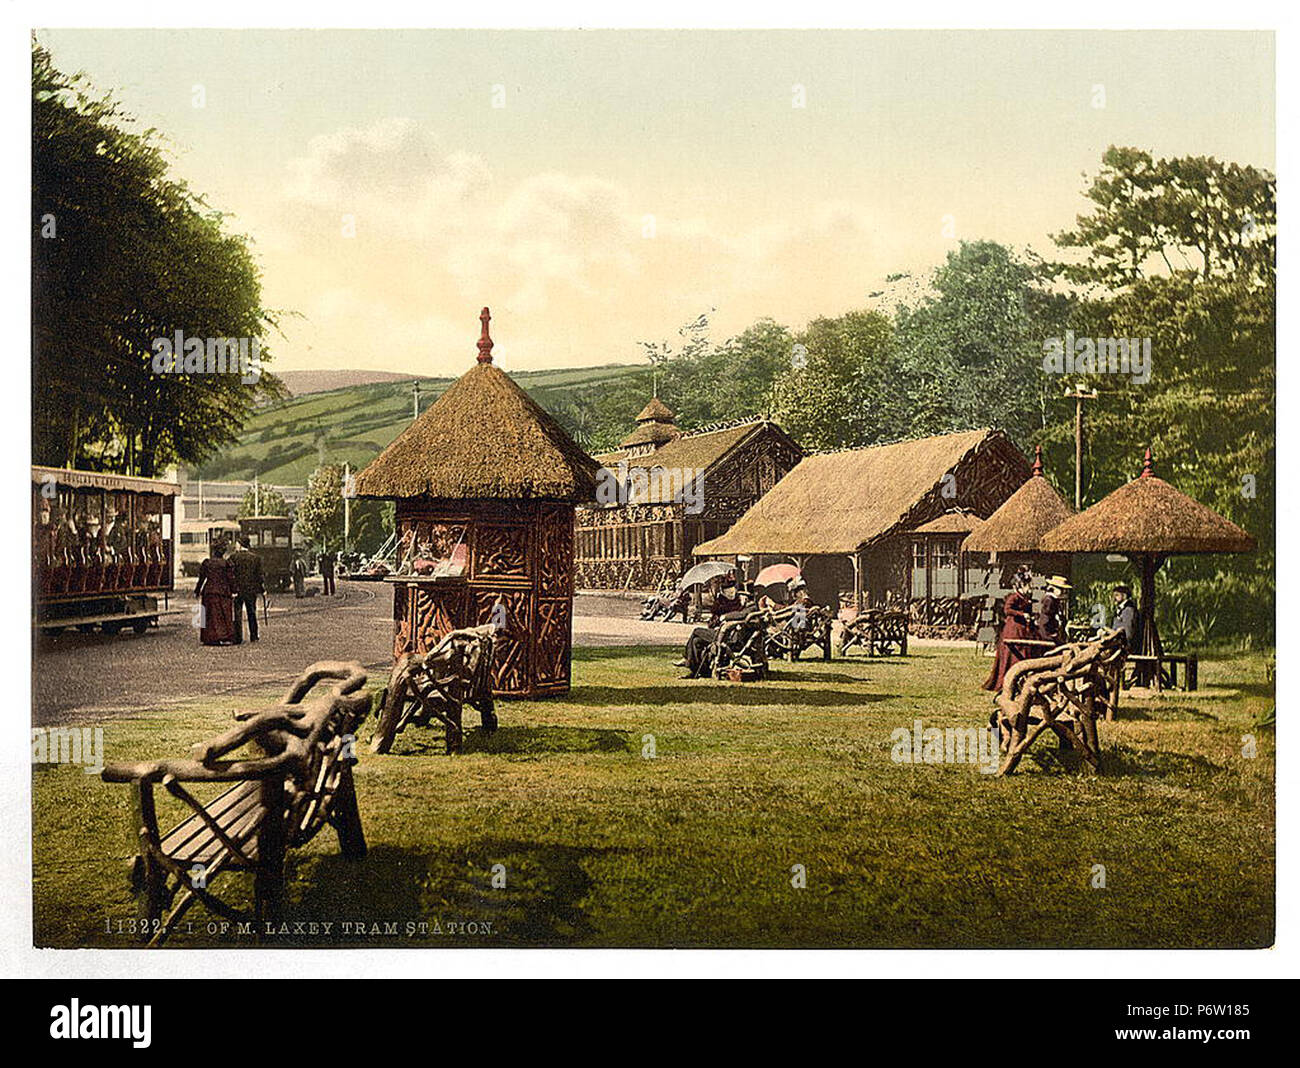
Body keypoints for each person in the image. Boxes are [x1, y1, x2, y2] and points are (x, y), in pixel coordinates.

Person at [983, 569, 1036, 693]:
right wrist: (1022, 614)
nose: (1030, 588)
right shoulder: (1014, 597)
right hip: (1014, 629)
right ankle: (1008, 680)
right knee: (1013, 654)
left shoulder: (1026, 597)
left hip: (1023, 629)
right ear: (1020, 586)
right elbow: (1007, 610)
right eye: (1028, 586)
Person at [195, 541, 237, 646]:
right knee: (223, 615)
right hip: (223, 591)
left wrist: (197, 590)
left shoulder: (207, 563)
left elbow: (201, 578)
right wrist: (234, 590)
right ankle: (223, 635)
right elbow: (230, 578)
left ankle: (209, 637)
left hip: (209, 591)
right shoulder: (226, 564)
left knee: (209, 615)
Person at [229, 535, 265, 643]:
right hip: (251, 590)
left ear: (240, 545)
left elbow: (230, 575)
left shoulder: (233, 558)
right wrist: (262, 590)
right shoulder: (255, 558)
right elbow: (259, 576)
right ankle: (254, 636)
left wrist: (231, 588)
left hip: (237, 590)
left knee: (237, 614)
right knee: (252, 612)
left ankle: (238, 637)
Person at [1037, 575, 1071, 644]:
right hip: (1046, 630)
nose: (1063, 591)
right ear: (1054, 589)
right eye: (1061, 589)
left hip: (1051, 629)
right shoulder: (1049, 599)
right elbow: (1046, 616)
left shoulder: (1055, 599)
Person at [1111, 584, 1139, 650]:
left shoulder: (1129, 609)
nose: (1114, 598)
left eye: (1117, 595)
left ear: (1124, 595)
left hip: (1124, 644)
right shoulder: (1120, 609)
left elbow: (1128, 631)